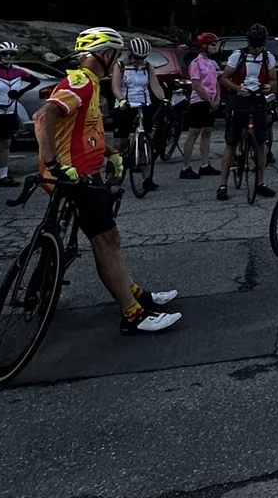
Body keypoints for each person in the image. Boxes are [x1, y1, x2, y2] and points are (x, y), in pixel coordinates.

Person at [34, 27, 180, 335]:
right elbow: (43, 117)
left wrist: (110, 153)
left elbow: (83, 131)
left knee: (109, 240)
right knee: (107, 241)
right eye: (116, 55)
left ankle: (136, 295)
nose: (119, 61)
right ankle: (132, 313)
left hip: (86, 171)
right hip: (74, 177)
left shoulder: (91, 85)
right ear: (106, 55)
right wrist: (53, 164)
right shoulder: (80, 81)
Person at [217, 23, 277, 200]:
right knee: (231, 142)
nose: (257, 49)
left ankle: (260, 183)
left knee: (260, 142)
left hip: (257, 99)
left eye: (259, 46)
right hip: (239, 100)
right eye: (254, 46)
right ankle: (222, 184)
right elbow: (224, 78)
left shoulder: (267, 57)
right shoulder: (238, 56)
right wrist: (236, 88)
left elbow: (274, 80)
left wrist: (268, 87)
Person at [0, 41, 38, 191]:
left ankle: (3, 177)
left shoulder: (19, 71)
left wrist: (21, 93)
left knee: (5, 145)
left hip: (10, 112)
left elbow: (35, 81)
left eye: (12, 54)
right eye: (5, 54)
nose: (8, 57)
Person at [110, 35, 164, 194]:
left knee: (144, 142)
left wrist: (163, 99)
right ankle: (114, 174)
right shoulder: (119, 66)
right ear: (131, 54)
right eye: (138, 57)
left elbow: (155, 85)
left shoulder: (148, 67)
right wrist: (121, 100)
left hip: (143, 104)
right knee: (120, 142)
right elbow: (115, 87)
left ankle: (147, 178)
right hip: (125, 105)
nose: (140, 61)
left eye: (143, 58)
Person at [179, 32, 221, 180]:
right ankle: (185, 167)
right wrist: (209, 100)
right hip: (199, 102)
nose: (215, 48)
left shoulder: (212, 63)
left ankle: (205, 164)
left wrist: (217, 98)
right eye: (213, 45)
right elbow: (196, 85)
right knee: (193, 133)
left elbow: (216, 82)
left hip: (211, 101)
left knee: (207, 132)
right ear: (204, 46)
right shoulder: (195, 64)